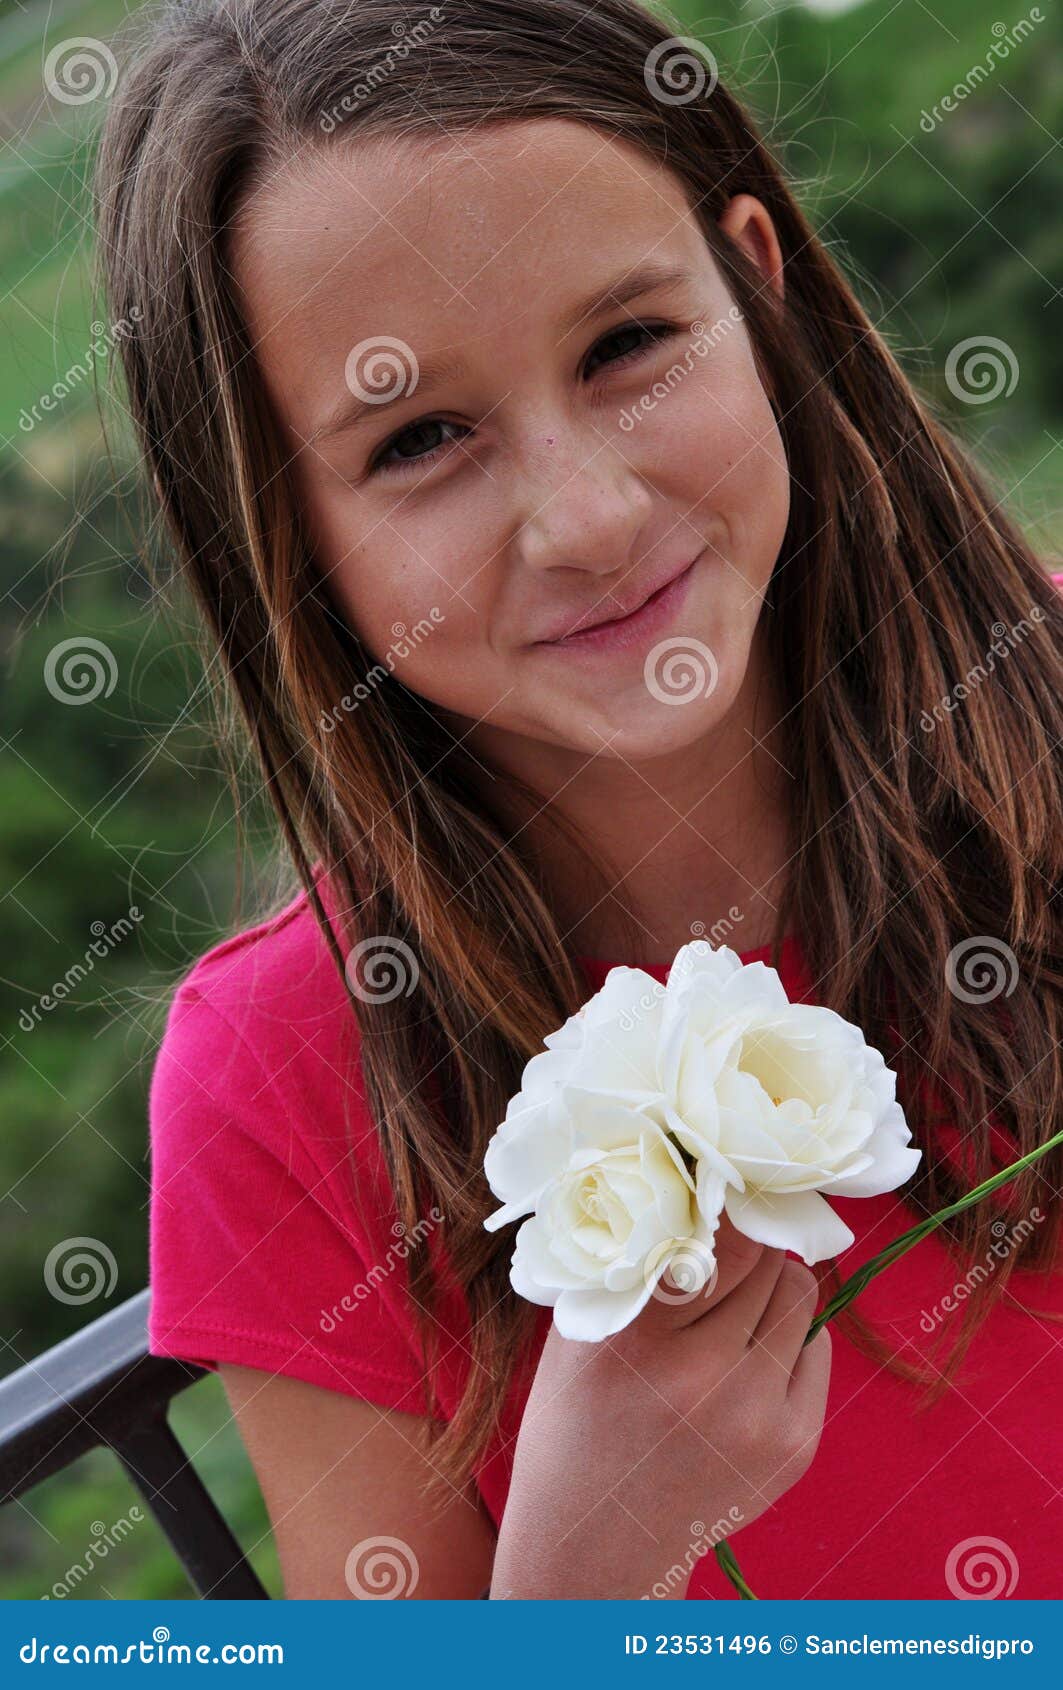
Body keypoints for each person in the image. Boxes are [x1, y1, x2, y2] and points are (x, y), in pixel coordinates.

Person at [93, 0, 1063, 1599]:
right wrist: (589, 1557)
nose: (590, 517)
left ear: (760, 290)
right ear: (277, 525)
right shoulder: (283, 1086)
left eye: (627, 346)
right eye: (420, 440)